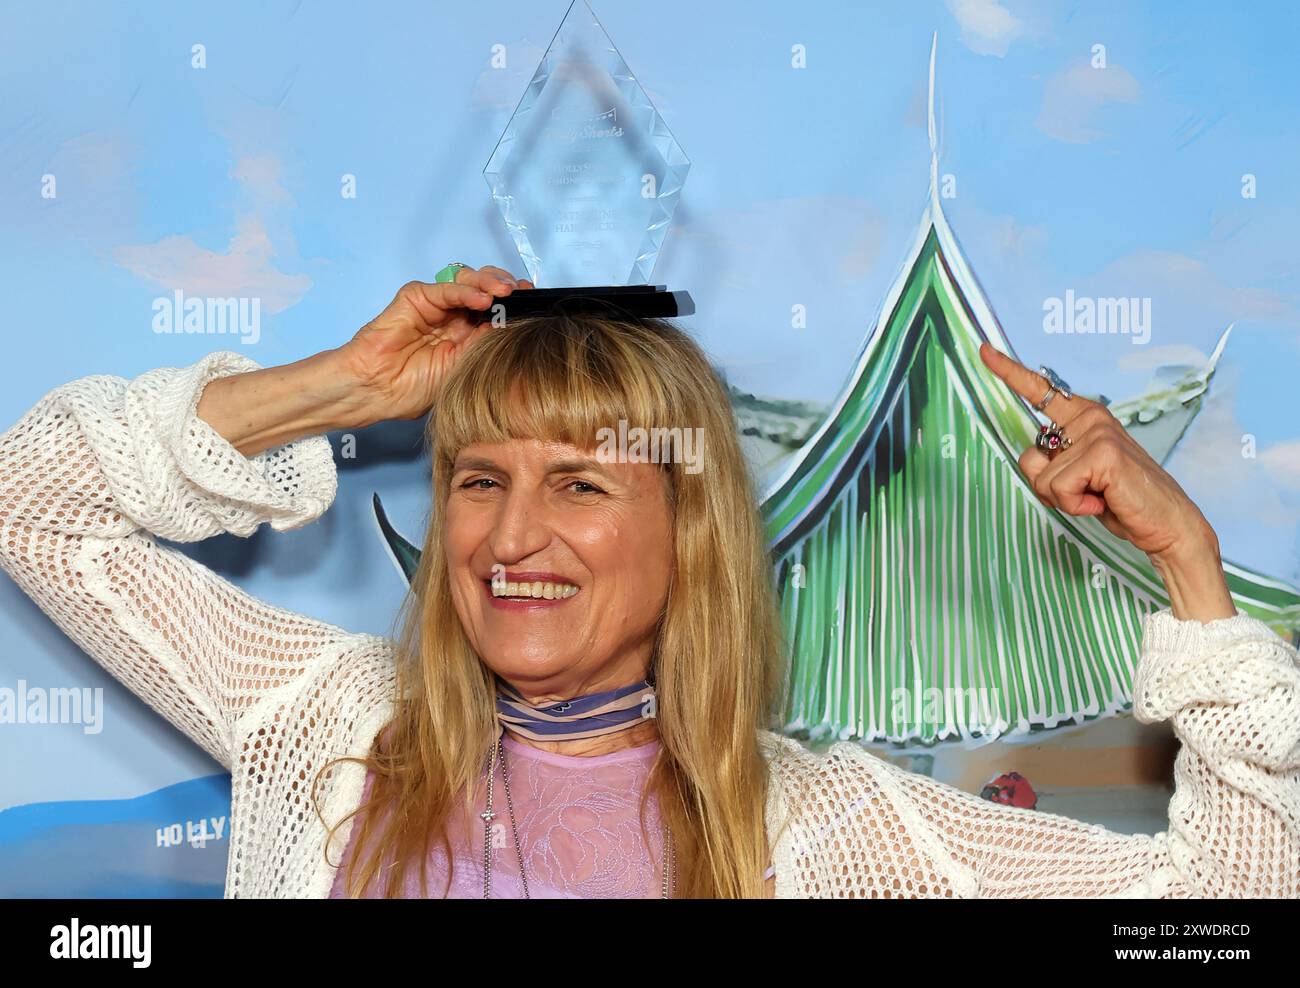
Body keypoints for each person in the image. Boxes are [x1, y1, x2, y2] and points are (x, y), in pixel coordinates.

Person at [0, 262, 1295, 898]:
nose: (510, 540)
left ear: (688, 531)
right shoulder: (328, 720)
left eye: (580, 484)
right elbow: (34, 505)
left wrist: (1189, 572)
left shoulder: (837, 830)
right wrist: (344, 387)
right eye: (477, 478)